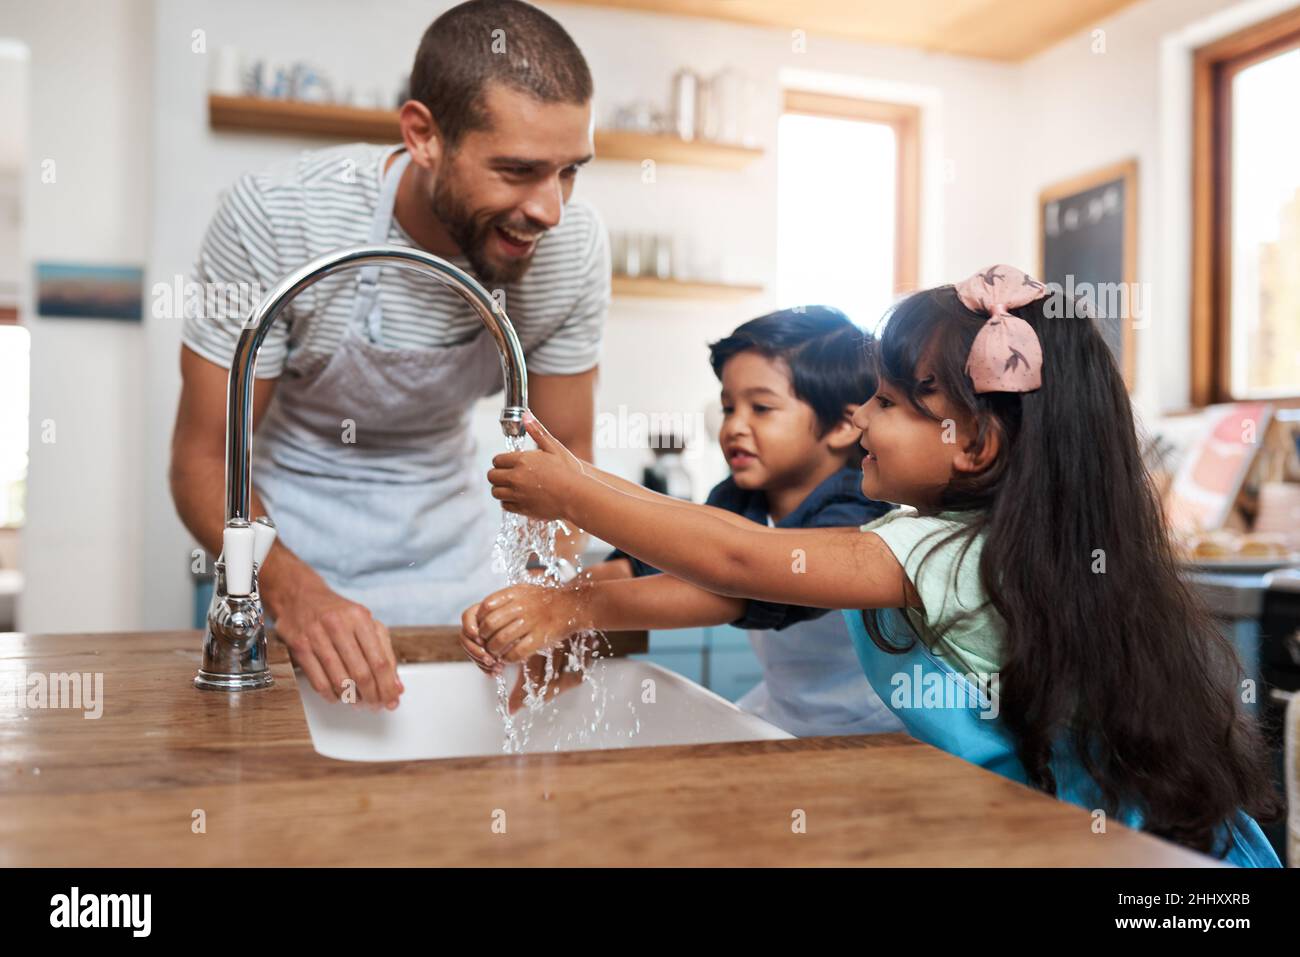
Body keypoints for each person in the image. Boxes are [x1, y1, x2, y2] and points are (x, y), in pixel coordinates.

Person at [479, 265, 1282, 866]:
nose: (863, 414)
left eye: (892, 402)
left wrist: (576, 493)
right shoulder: (973, 535)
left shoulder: (925, 548)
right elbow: (710, 541)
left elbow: (733, 560)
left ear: (971, 444)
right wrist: (578, 553)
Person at [170, 1, 608, 711]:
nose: (549, 210)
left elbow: (568, 458)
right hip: (289, 551)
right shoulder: (278, 218)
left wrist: (543, 593)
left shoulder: (570, 249)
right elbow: (204, 461)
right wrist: (292, 592)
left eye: (569, 172)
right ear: (423, 135)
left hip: (454, 565)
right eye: (519, 170)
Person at [463, 306, 902, 736]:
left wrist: (570, 607)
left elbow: (738, 585)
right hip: (786, 714)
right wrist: (540, 602)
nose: (733, 427)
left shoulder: (859, 508)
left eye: (761, 408)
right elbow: (650, 561)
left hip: (877, 730)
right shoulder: (740, 495)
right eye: (729, 408)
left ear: (845, 425)